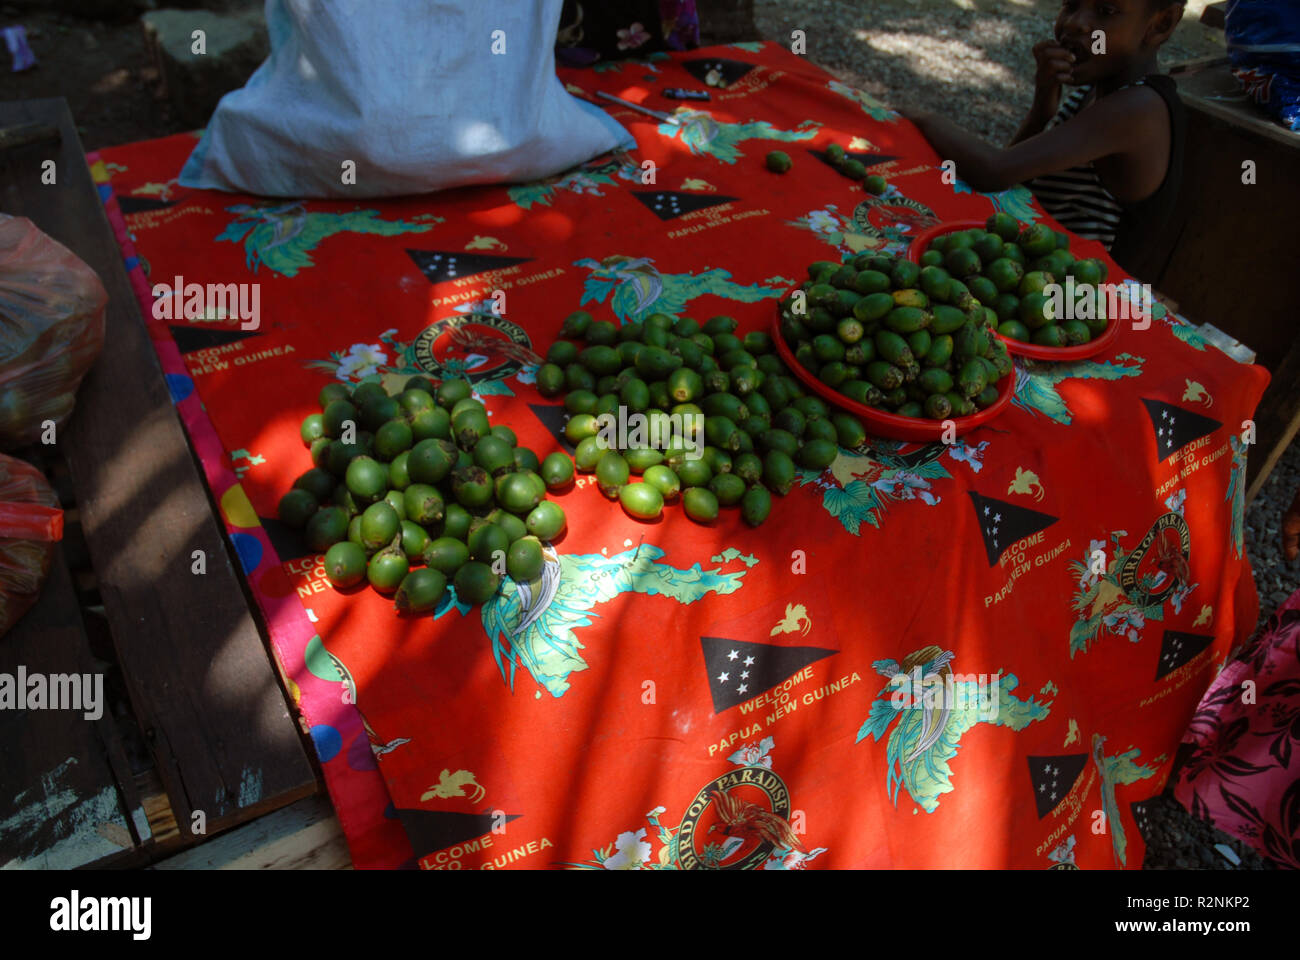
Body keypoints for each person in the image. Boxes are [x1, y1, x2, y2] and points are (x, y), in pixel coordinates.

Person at [903, 0, 1188, 282]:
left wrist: (922, 117)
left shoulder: (1137, 108)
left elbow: (993, 171)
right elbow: (1015, 185)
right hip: (1030, 274)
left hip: (1082, 303)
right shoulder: (1095, 90)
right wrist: (1041, 112)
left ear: (1160, 24)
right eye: (1071, 4)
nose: (1075, 22)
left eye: (1106, 11)